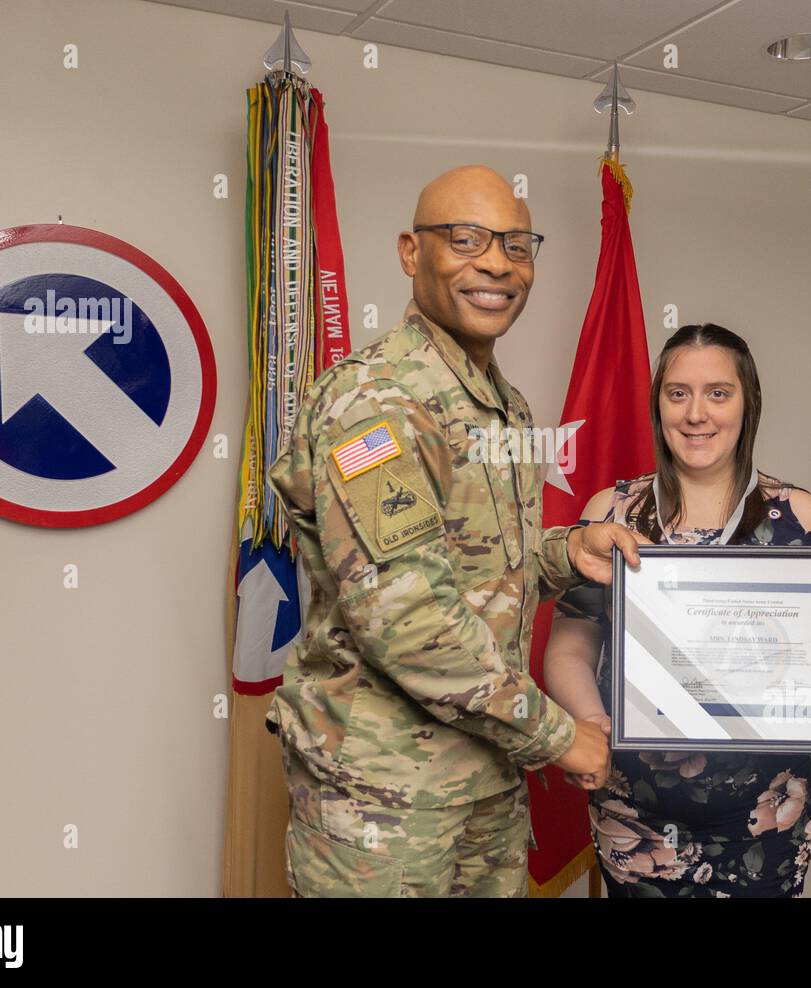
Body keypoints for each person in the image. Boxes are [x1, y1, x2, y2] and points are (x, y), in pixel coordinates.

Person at [265, 164, 642, 898]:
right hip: (385, 802)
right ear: (412, 253)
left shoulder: (503, 404)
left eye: (517, 244)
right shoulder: (373, 404)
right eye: (466, 239)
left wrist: (569, 551)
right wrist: (560, 736)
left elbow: (477, 565)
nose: (498, 263)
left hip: (484, 782)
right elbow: (409, 620)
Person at [543, 323, 811, 898]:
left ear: (747, 403)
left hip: (766, 812)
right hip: (633, 811)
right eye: (677, 393)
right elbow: (568, 648)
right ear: (658, 403)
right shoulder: (611, 512)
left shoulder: (799, 515)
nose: (696, 414)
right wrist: (592, 724)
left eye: (718, 393)